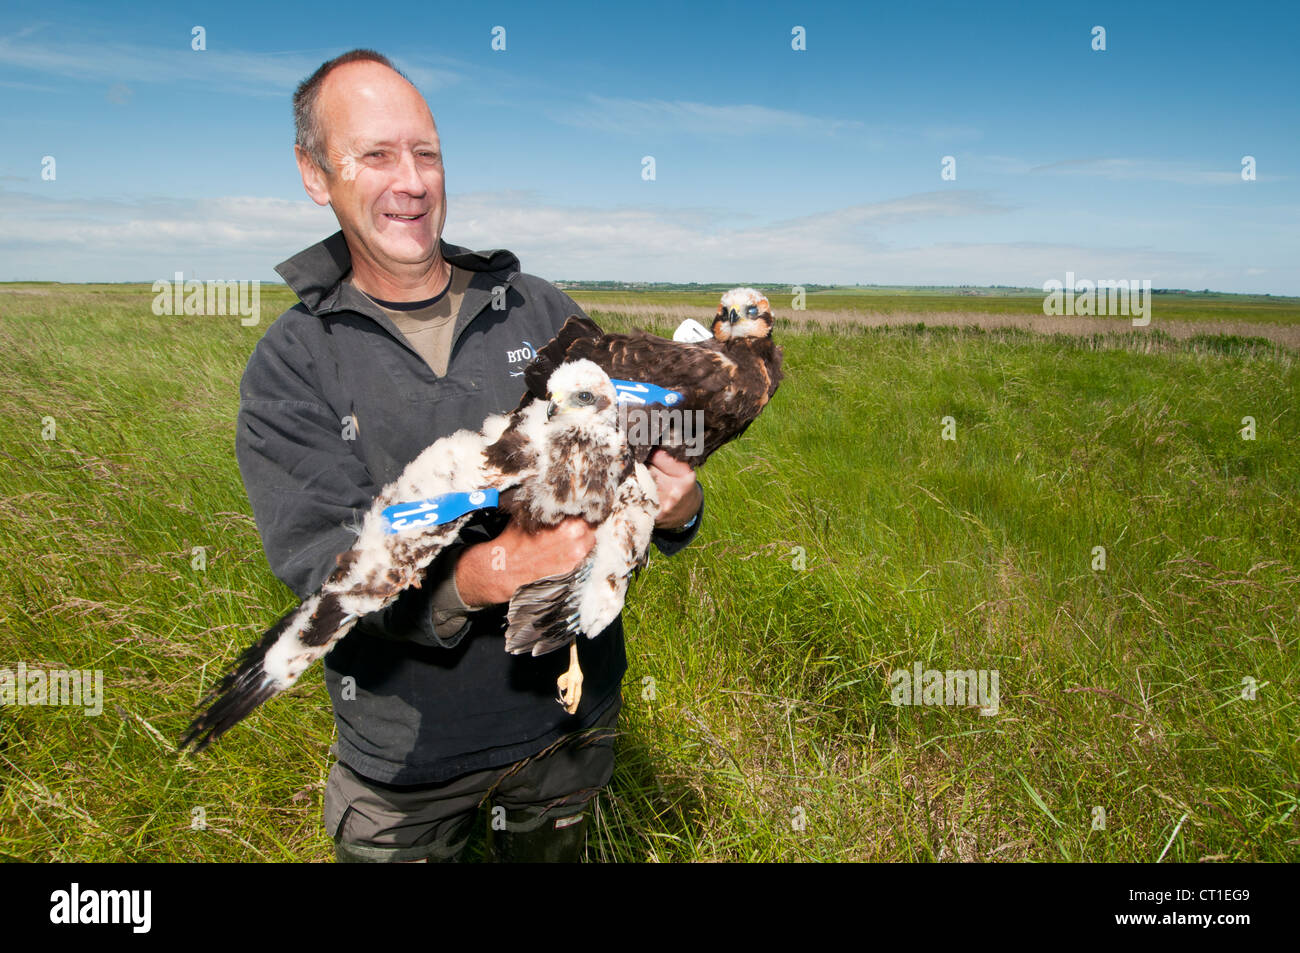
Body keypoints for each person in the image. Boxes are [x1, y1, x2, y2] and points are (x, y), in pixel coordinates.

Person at [235, 49, 704, 862]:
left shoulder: (540, 310)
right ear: (316, 174)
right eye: (376, 155)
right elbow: (327, 566)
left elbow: (641, 469)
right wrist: (477, 578)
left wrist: (680, 507)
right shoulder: (292, 363)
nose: (411, 180)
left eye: (426, 152)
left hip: (565, 724)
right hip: (406, 762)